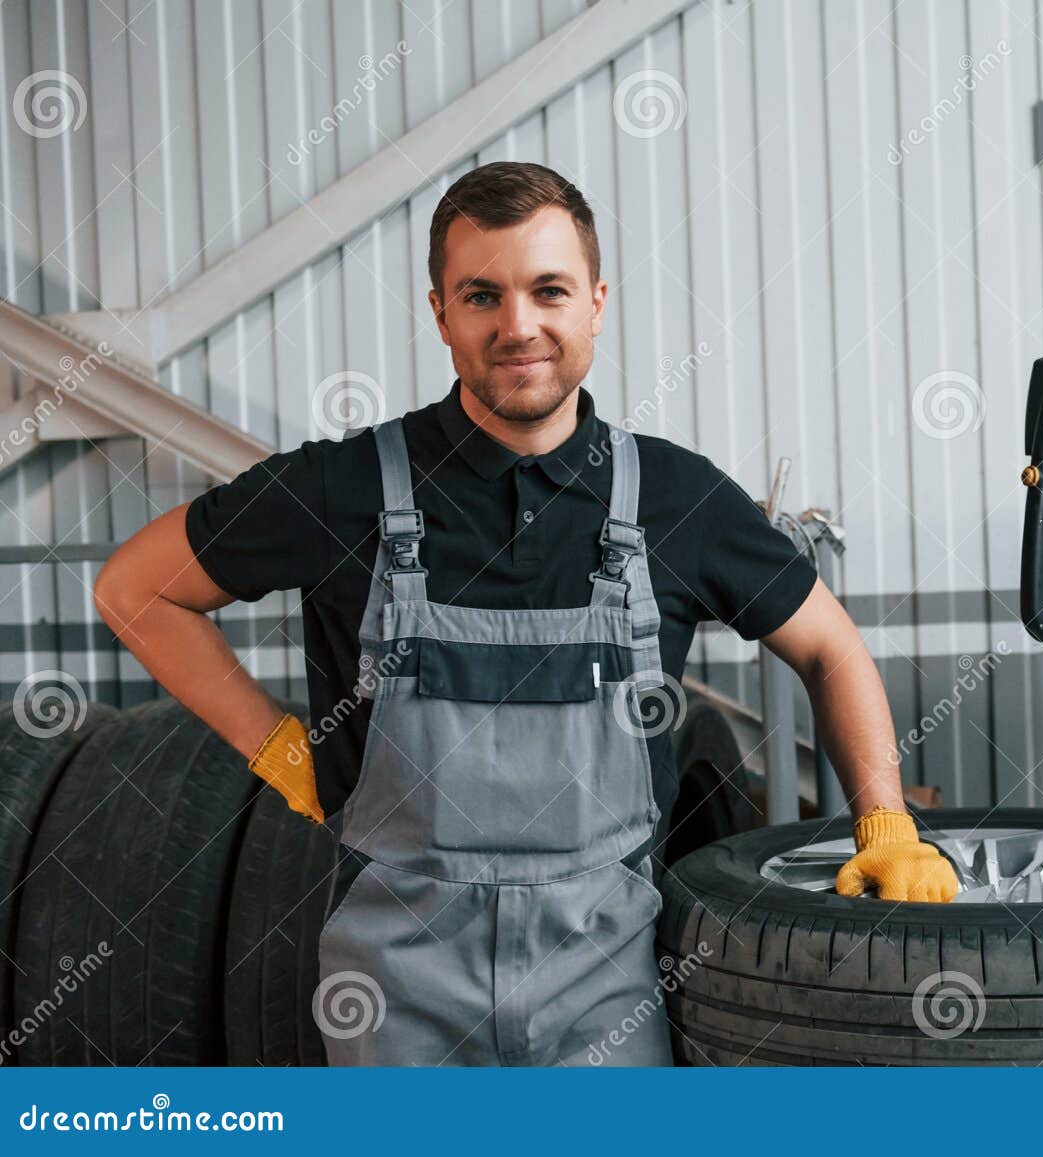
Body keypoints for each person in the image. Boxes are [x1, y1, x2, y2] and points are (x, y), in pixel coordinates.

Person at [92, 161, 958, 1067]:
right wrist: (278, 749)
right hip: (393, 1007)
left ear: (596, 301)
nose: (519, 326)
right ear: (440, 314)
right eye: (482, 295)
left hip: (610, 999)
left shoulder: (674, 497)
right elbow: (134, 589)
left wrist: (884, 823)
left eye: (548, 289)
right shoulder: (340, 488)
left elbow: (829, 644)